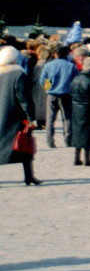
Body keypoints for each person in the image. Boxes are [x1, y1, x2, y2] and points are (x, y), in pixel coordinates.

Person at [1, 45, 41, 185]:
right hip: (14, 117)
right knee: (24, 144)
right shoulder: (18, 74)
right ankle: (29, 176)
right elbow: (24, 98)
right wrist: (31, 118)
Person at [41, 45, 77, 148]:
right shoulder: (71, 66)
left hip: (52, 94)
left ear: (55, 54)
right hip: (66, 94)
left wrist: (49, 88)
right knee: (67, 118)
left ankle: (50, 141)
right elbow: (75, 81)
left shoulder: (48, 65)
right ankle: (68, 140)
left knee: (50, 119)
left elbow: (43, 79)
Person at [69, 56, 90, 167]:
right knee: (89, 133)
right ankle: (87, 159)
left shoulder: (76, 79)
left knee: (77, 132)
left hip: (76, 108)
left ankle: (76, 157)